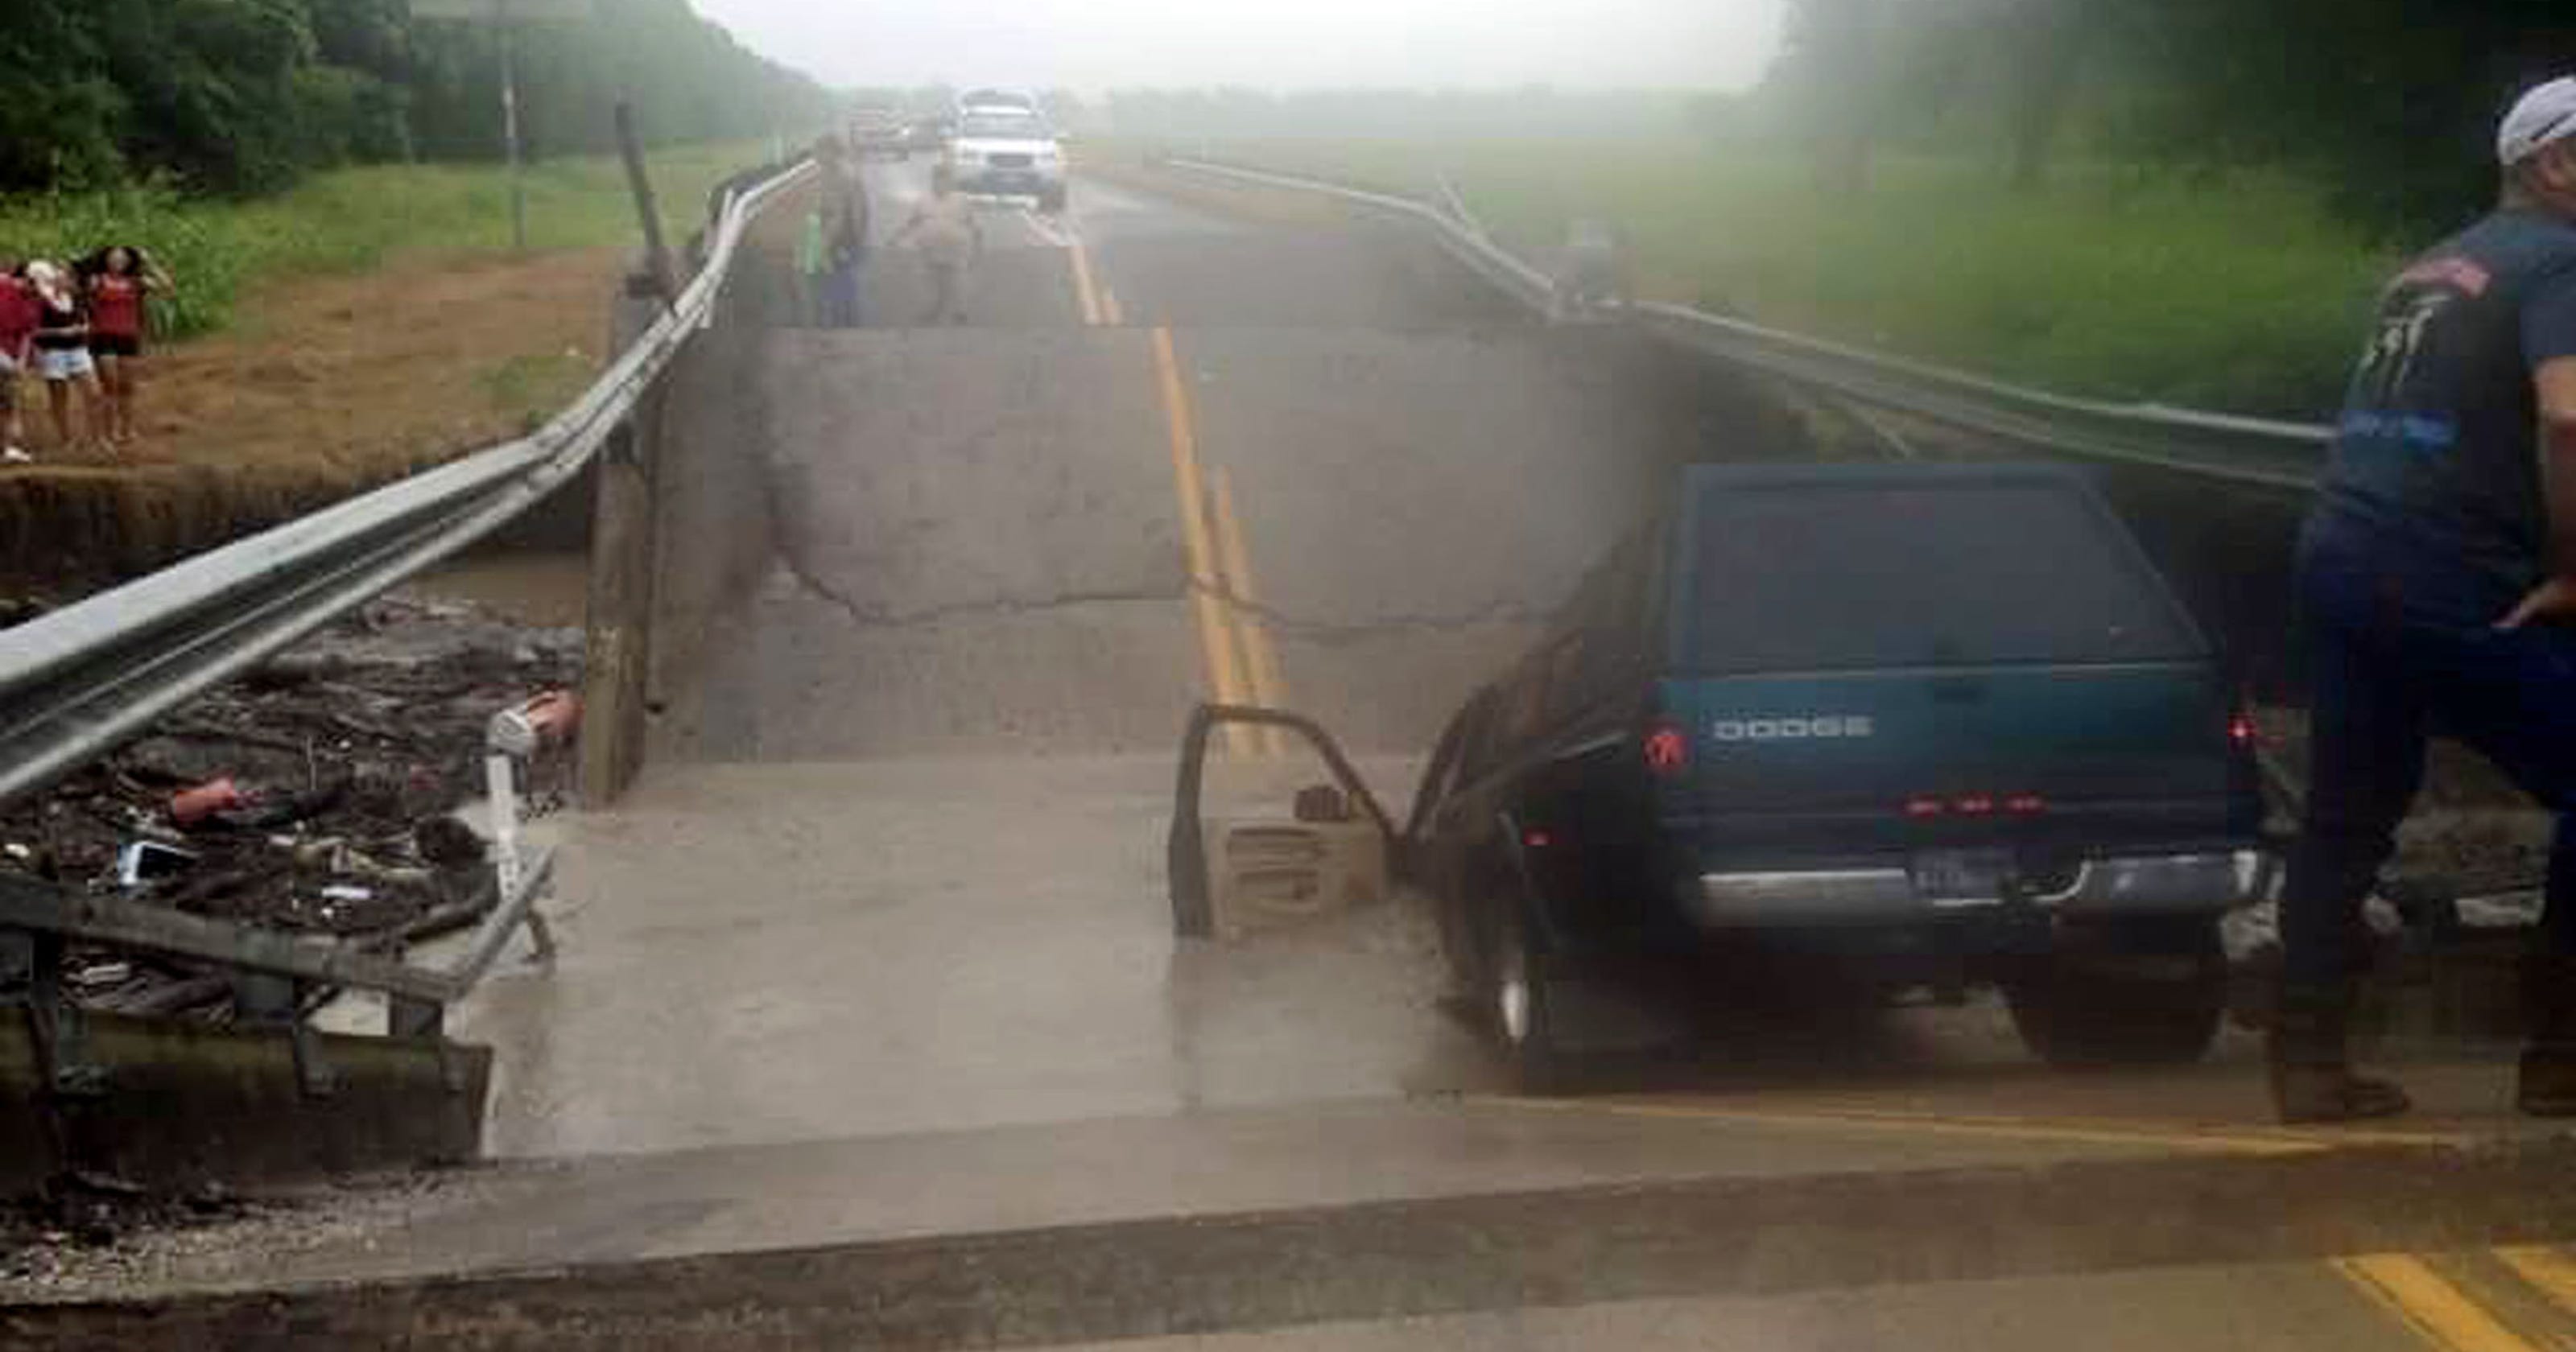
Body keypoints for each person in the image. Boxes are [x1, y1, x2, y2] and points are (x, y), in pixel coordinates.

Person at [2274, 76, 2576, 1123]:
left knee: (2346, 812)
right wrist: (2573, 570)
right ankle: (2560, 1055)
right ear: (2554, 164)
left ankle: (2306, 1066)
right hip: (2444, 567)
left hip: (2340, 552)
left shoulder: (2428, 270)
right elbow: (2569, 417)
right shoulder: (2561, 260)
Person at [79, 245, 171, 446]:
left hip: (128, 336)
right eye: (114, 257)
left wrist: (149, 262)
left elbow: (166, 286)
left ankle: (127, 430)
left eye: (122, 258)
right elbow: (79, 289)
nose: (118, 261)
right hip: (103, 337)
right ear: (106, 260)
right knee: (109, 385)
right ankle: (109, 432)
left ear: (129, 261)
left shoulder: (136, 281)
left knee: (127, 386)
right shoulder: (97, 280)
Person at [24, 261, 104, 455]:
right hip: (54, 352)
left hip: (78, 349)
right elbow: (33, 330)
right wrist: (60, 332)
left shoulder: (76, 298)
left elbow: (87, 320)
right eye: (59, 278)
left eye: (66, 278)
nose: (63, 282)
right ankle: (66, 439)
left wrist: (84, 328)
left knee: (95, 393)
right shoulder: (42, 301)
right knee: (60, 398)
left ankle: (97, 438)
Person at [891, 165, 983, 326]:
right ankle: (931, 310)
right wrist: (896, 236)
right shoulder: (923, 200)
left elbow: (974, 223)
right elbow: (912, 221)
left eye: (945, 180)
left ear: (951, 182)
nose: (941, 184)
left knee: (958, 280)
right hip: (929, 249)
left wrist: (978, 243)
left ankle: (960, 312)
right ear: (932, 181)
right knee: (929, 281)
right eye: (938, 179)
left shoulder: (962, 200)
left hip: (956, 249)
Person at [0, 260, 36, 462]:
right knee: (8, 401)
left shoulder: (17, 294)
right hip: (5, 356)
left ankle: (7, 448)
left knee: (8, 401)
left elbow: (26, 331)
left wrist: (21, 359)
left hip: (10, 354)